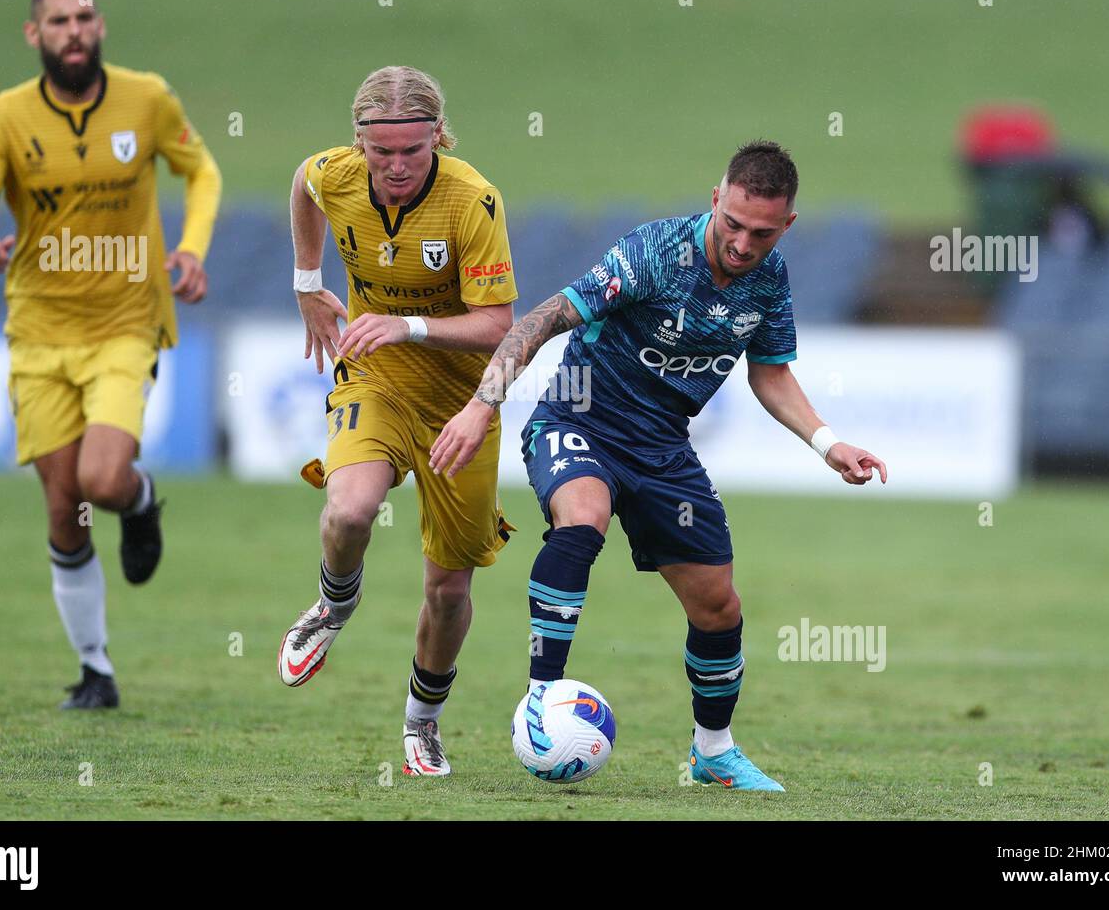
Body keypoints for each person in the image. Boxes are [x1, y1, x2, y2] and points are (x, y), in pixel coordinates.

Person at [431, 140, 888, 791]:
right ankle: (541, 700)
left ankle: (713, 753)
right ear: (715, 200)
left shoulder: (770, 278)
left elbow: (771, 375)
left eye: (760, 231)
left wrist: (827, 443)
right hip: (575, 421)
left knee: (718, 607)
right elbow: (541, 319)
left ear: (785, 226)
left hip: (663, 451)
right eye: (731, 223)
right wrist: (483, 406)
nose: (741, 241)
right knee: (582, 518)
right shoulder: (653, 254)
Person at [0, 0, 221, 709]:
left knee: (102, 481)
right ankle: (96, 670)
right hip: (37, 333)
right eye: (59, 20)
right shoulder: (5, 117)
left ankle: (141, 498)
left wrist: (191, 248)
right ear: (34, 35)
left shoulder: (147, 99)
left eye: (85, 17)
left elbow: (202, 172)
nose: (74, 29)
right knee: (64, 511)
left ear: (100, 27)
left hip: (126, 323)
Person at [278, 66, 517, 776]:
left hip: (462, 408)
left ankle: (422, 722)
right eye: (381, 152)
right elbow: (301, 182)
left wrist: (406, 324)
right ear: (359, 143)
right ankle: (331, 606)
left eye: (412, 150)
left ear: (437, 135)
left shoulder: (473, 200)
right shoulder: (337, 173)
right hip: (375, 379)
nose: (396, 166)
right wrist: (306, 281)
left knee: (448, 591)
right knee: (350, 511)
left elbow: (501, 325)